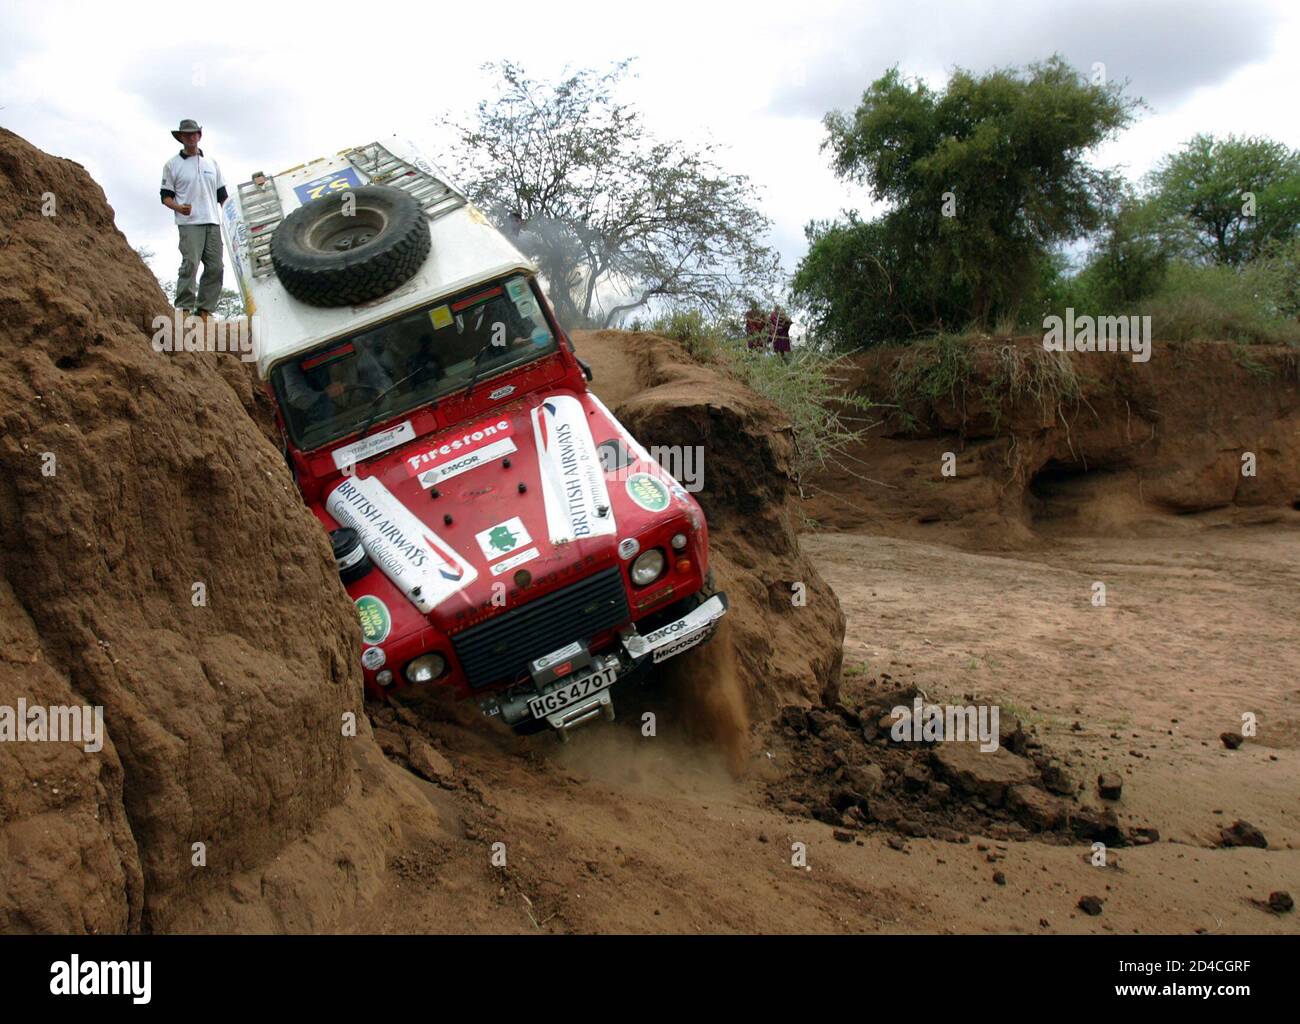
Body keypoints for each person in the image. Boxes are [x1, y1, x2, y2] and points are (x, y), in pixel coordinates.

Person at [160, 119, 227, 319]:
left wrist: (231, 215)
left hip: (213, 221)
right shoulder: (172, 165)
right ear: (180, 137)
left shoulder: (211, 163)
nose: (191, 137)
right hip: (189, 223)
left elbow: (222, 195)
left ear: (199, 135)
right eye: (186, 134)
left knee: (216, 266)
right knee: (190, 263)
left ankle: (205, 310)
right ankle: (184, 308)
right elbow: (165, 197)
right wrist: (179, 207)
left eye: (194, 133)